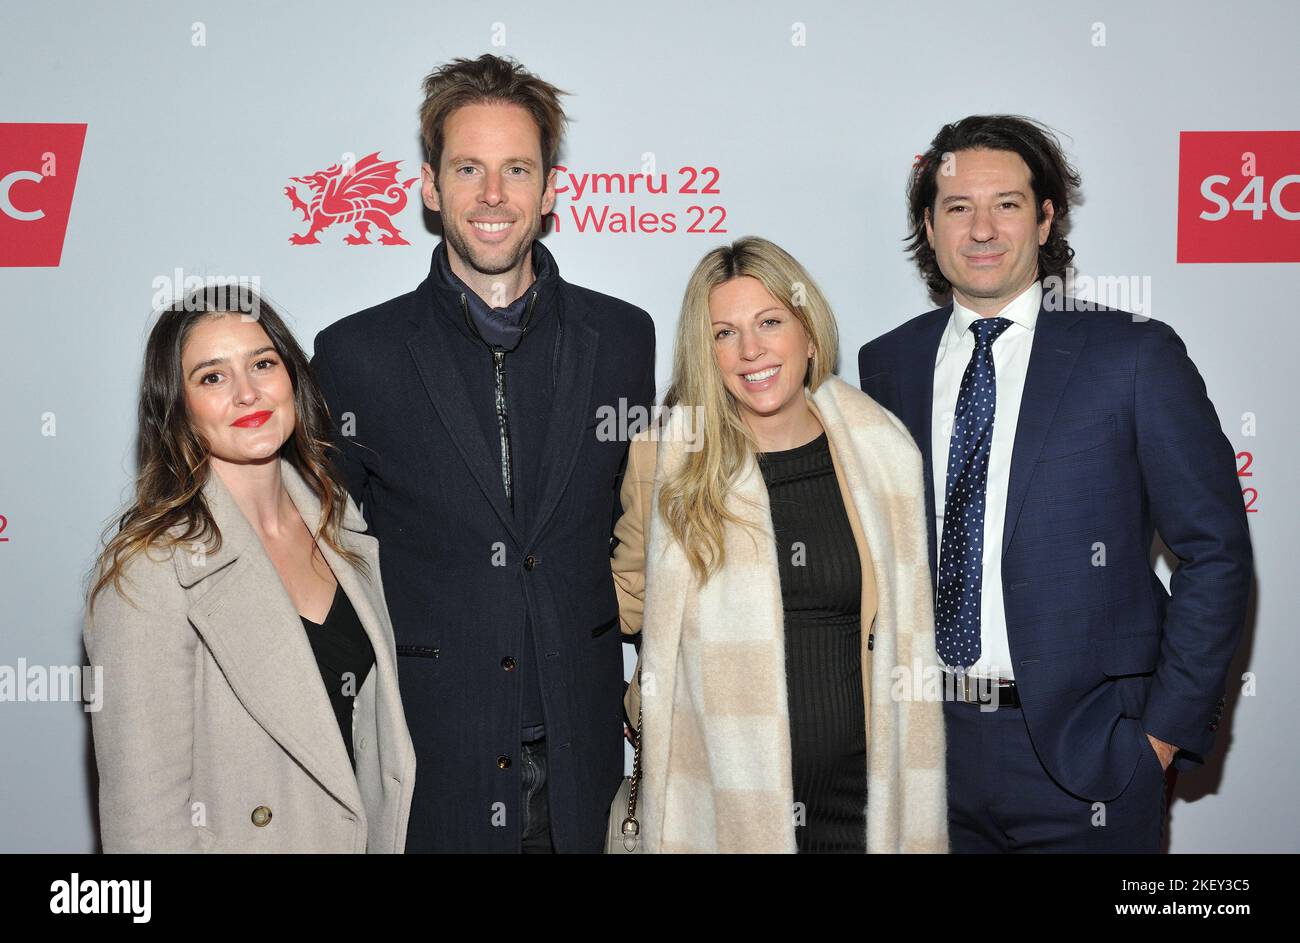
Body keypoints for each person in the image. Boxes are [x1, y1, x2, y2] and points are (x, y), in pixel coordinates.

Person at [858, 115, 1253, 852]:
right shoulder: (888, 364)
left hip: (1091, 757)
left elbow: (1216, 552)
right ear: (928, 223)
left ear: (1045, 219)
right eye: (956, 206)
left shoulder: (1133, 353)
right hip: (927, 756)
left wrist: (1160, 737)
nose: (982, 228)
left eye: (1006, 204)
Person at [311, 54, 656, 853]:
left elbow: (638, 524)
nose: (493, 195)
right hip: (434, 758)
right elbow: (330, 557)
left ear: (549, 189)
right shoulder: (356, 354)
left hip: (584, 753)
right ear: (430, 187)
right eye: (468, 168)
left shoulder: (624, 340)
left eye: (516, 169)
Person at [612, 237, 947, 853]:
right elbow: (623, 603)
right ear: (705, 353)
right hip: (718, 814)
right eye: (724, 333)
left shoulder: (881, 455)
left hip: (866, 812)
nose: (751, 351)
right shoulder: (666, 462)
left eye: (770, 322)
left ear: (809, 333)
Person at [85, 285, 415, 853]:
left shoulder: (341, 524)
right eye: (212, 377)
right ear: (177, 406)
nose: (247, 393)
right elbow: (143, 824)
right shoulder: (148, 572)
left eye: (263, 364)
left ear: (292, 379)